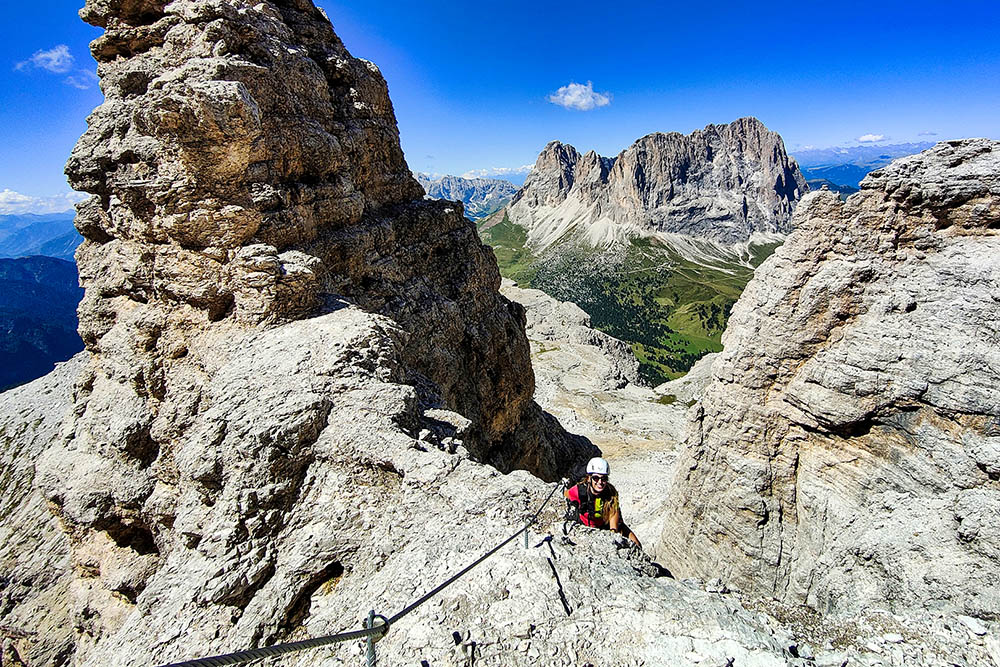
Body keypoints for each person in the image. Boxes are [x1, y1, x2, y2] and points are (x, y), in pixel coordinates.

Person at [564, 457, 641, 548]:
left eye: (604, 478)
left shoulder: (611, 494)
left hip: (605, 525)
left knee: (637, 545)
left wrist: (611, 536)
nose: (600, 482)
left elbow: (613, 524)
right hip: (586, 526)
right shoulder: (578, 491)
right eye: (596, 478)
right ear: (589, 478)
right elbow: (563, 498)